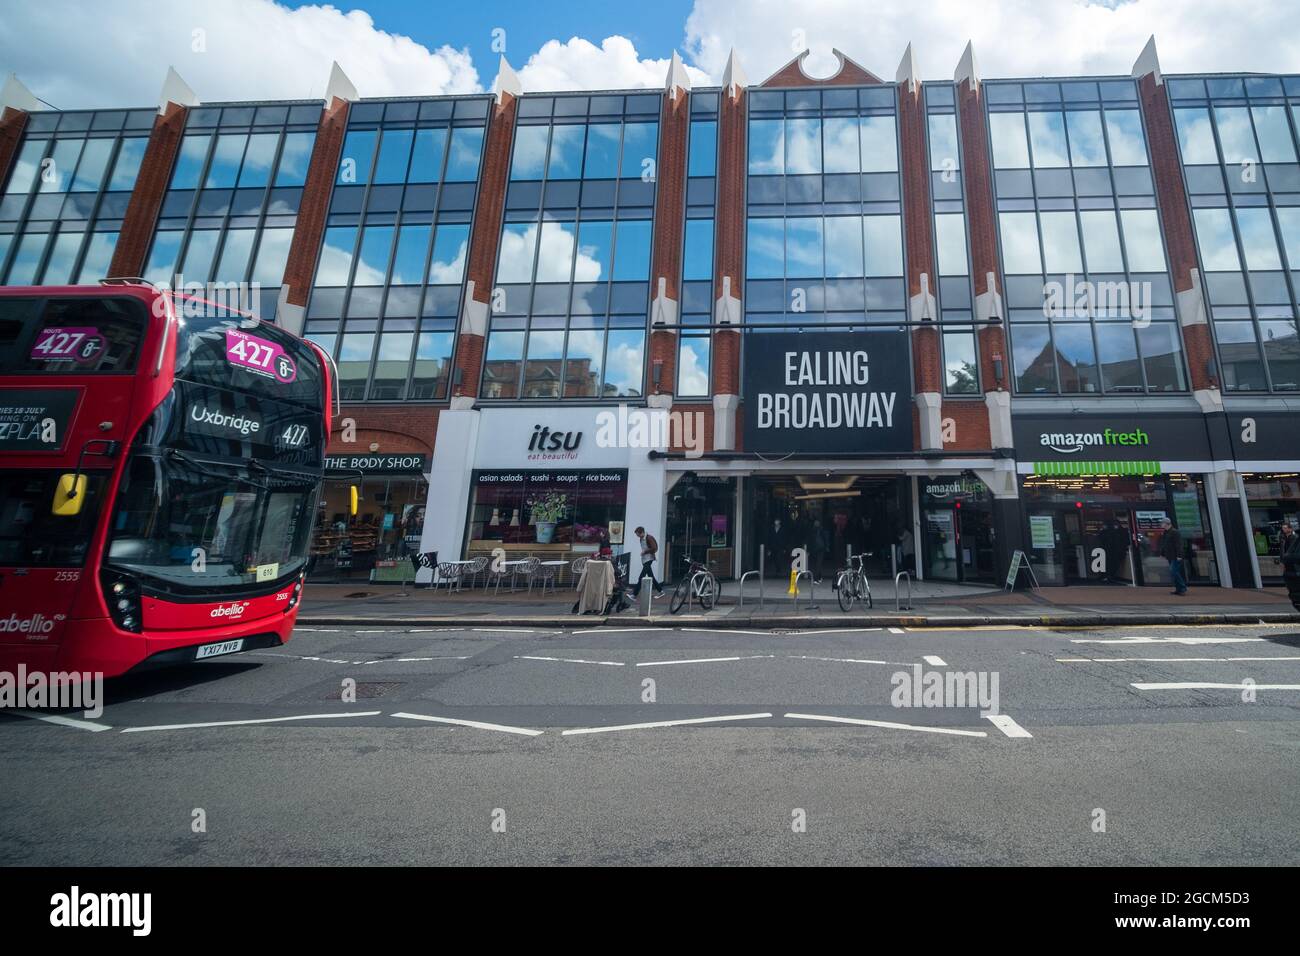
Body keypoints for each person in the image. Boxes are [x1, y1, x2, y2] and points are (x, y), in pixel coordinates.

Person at [631, 526, 664, 598]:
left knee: (641, 577)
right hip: (645, 559)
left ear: (642, 532)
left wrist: (645, 551)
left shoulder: (649, 538)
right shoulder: (641, 538)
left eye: (638, 534)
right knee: (651, 576)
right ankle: (660, 591)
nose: (637, 536)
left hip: (649, 559)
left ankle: (634, 594)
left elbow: (655, 548)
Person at [1159, 517, 1187, 596]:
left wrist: (1179, 555)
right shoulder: (1166, 532)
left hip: (1176, 556)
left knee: (1173, 571)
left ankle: (1182, 588)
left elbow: (1179, 544)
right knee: (1174, 572)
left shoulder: (1175, 532)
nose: (1161, 524)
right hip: (1170, 556)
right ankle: (1178, 589)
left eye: (1162, 523)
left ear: (1167, 524)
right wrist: (1162, 553)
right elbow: (1164, 544)